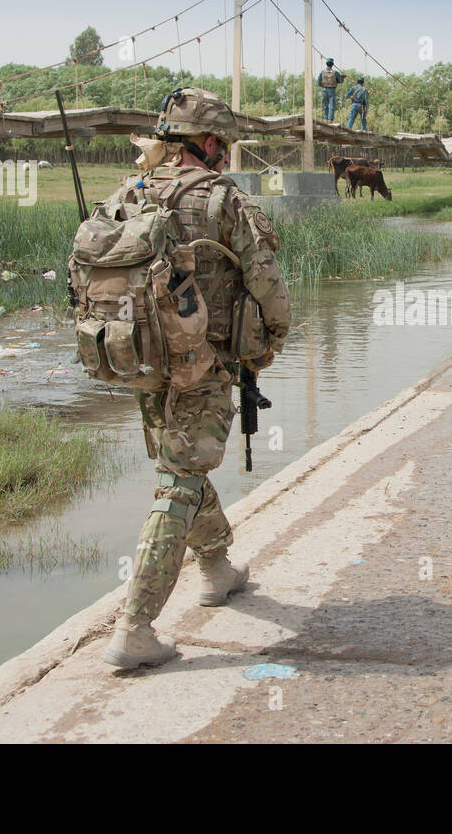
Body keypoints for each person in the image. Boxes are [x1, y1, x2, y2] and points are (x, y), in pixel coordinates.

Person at [101, 88, 292, 668]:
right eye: (223, 145)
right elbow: (268, 287)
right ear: (208, 144)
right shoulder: (223, 199)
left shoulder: (127, 194)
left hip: (138, 357)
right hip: (203, 365)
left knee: (179, 464)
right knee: (181, 479)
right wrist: (269, 345)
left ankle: (215, 568)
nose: (226, 154)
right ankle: (133, 628)